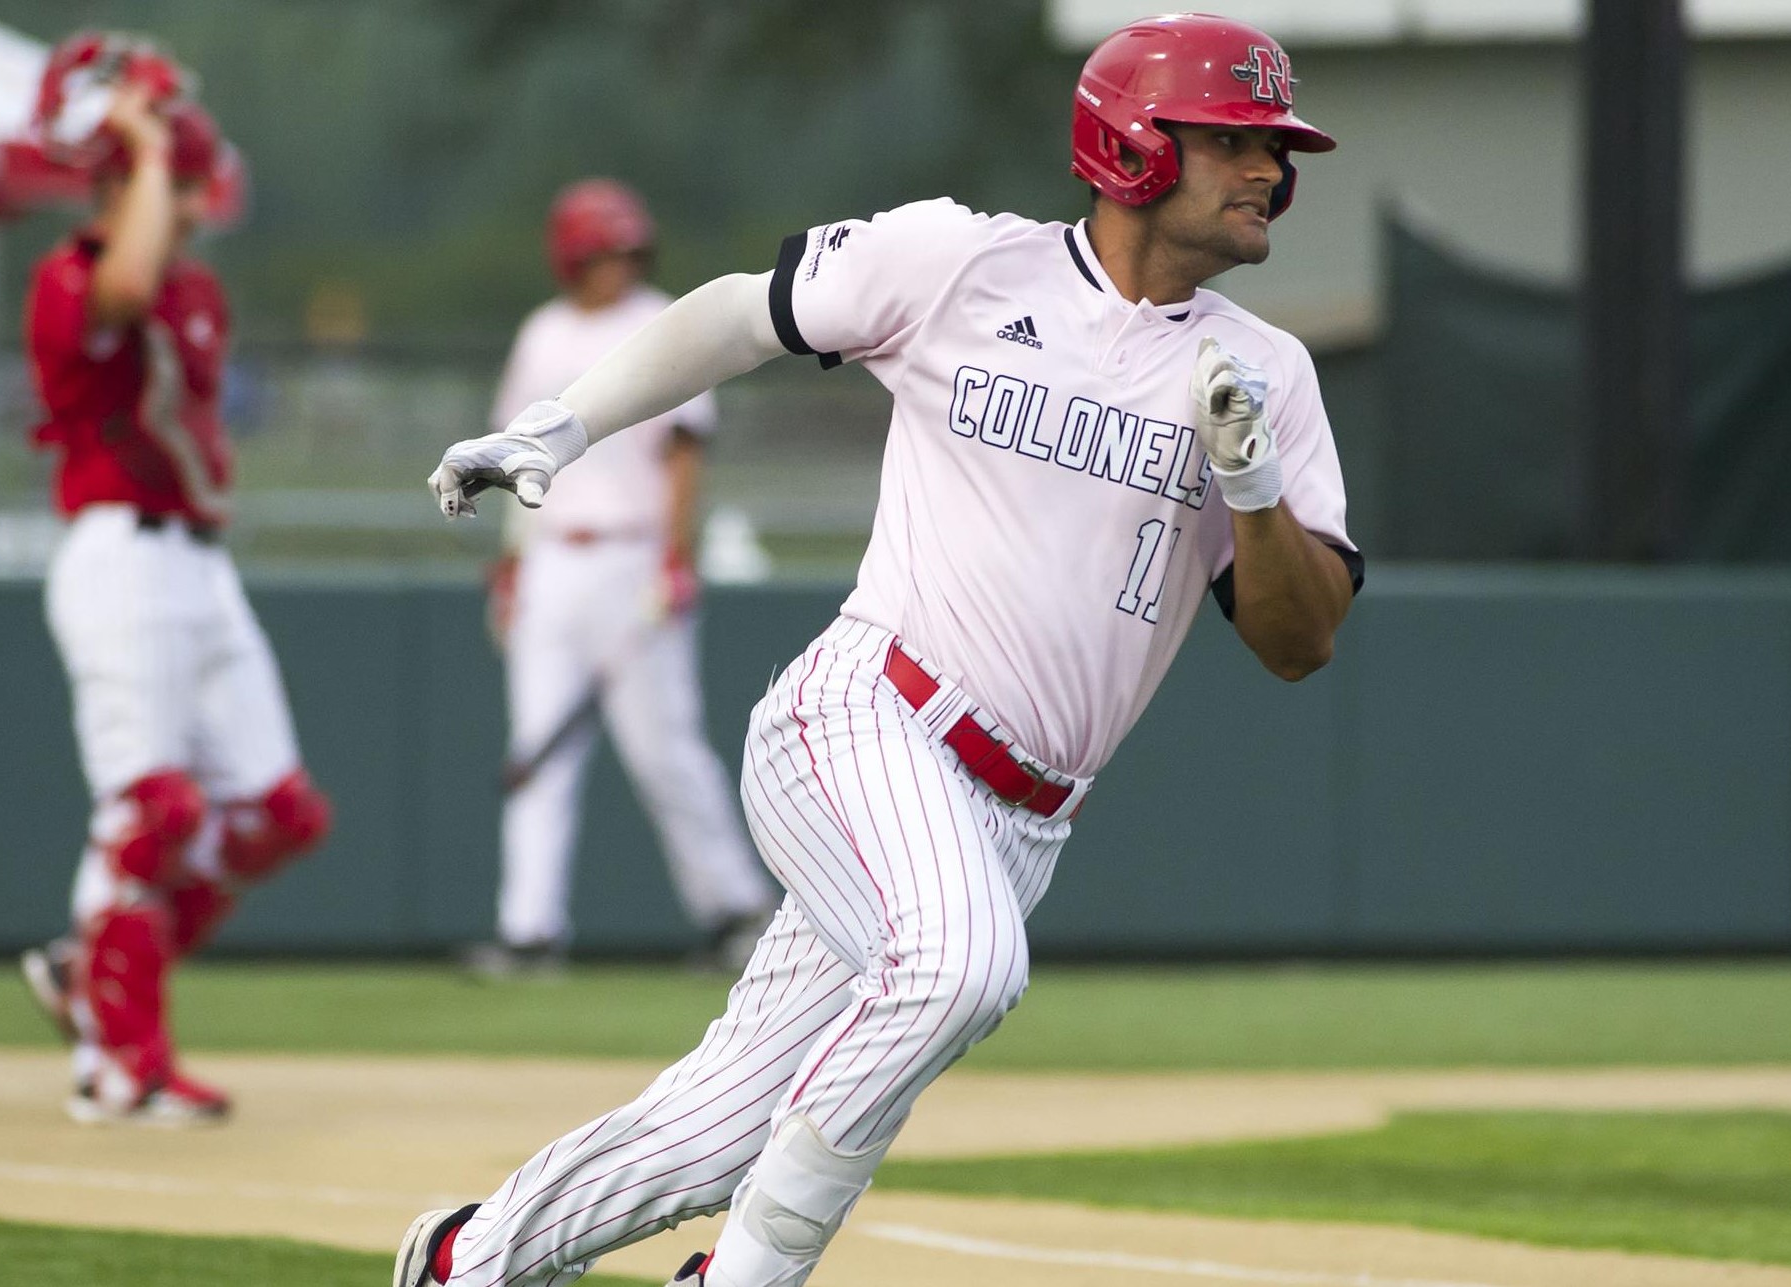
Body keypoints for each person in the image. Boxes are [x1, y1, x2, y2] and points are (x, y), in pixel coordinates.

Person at [402, 13, 1359, 1286]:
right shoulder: (964, 263)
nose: (1270, 170)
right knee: (962, 967)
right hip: (871, 717)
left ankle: (465, 1261)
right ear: (1134, 145)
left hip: (1024, 820)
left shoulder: (1267, 373)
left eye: (1275, 148)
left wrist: (1251, 486)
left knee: (711, 1132)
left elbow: (1300, 642)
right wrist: (561, 426)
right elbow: (740, 315)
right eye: (1235, 139)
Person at [13, 38, 332, 1124]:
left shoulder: (194, 285)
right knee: (151, 810)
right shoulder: (70, 275)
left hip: (199, 562)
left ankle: (90, 974)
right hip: (119, 556)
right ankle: (119, 1062)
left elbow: (154, 276)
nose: (196, 193)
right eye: (177, 176)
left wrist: (147, 148)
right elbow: (124, 283)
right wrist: (142, 144)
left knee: (277, 814)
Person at [468, 178, 778, 977]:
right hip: (552, 557)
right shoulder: (542, 331)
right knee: (538, 748)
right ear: (572, 258)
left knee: (664, 749)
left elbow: (684, 452)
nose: (623, 265)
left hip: (632, 556)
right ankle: (529, 928)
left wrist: (676, 556)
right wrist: (510, 566)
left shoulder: (658, 317)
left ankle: (735, 909)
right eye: (608, 252)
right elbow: (516, 461)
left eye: (631, 251)